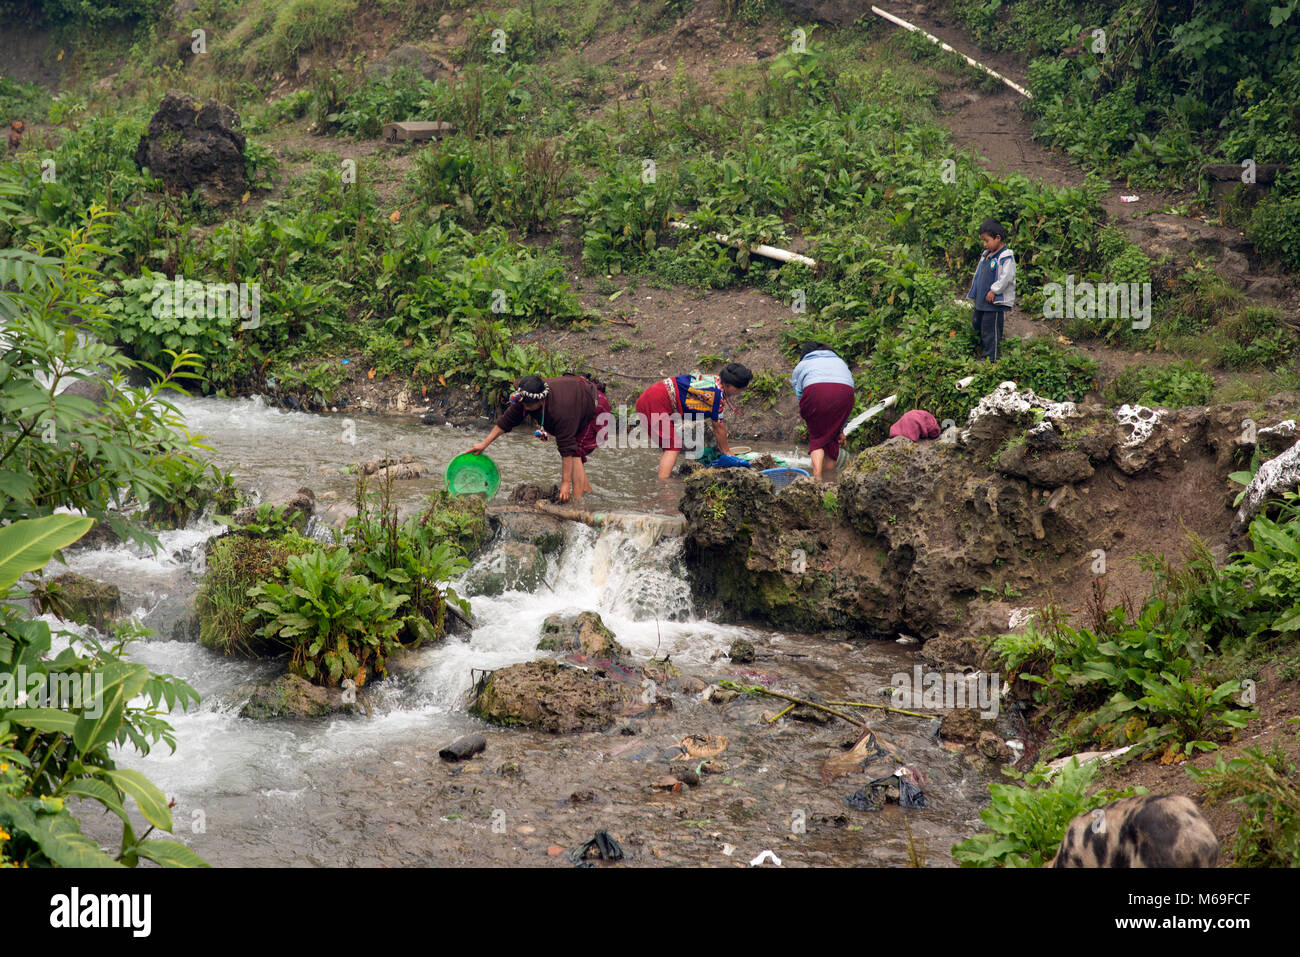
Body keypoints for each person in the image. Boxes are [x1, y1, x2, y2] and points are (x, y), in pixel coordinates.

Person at [465, 373, 599, 503]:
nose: (525, 408)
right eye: (524, 405)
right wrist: (484, 443)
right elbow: (506, 421)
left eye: (529, 406)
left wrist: (565, 484)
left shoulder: (561, 411)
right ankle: (587, 494)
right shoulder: (525, 398)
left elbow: (567, 448)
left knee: (575, 453)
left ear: (541, 401)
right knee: (575, 455)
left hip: (592, 407)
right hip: (575, 397)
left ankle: (578, 507)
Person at [634, 363, 752, 479]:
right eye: (739, 388)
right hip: (655, 402)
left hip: (653, 396)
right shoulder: (716, 395)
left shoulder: (714, 380)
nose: (740, 391)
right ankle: (663, 485)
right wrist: (727, 451)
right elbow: (718, 427)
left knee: (671, 445)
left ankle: (664, 477)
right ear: (728, 385)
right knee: (673, 446)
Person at [791, 342, 855, 481]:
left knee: (817, 438)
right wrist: (841, 429)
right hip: (845, 394)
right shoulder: (840, 362)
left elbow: (800, 394)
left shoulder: (803, 365)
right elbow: (850, 388)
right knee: (833, 438)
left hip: (815, 392)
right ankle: (830, 479)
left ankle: (817, 478)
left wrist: (809, 413)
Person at [966, 218, 1016, 362]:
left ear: (998, 238)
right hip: (982, 301)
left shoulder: (1005, 257)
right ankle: (980, 350)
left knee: (991, 329)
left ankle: (991, 358)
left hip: (993, 303)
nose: (985, 244)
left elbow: (1007, 277)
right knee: (977, 323)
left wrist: (994, 290)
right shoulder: (986, 255)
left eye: (987, 240)